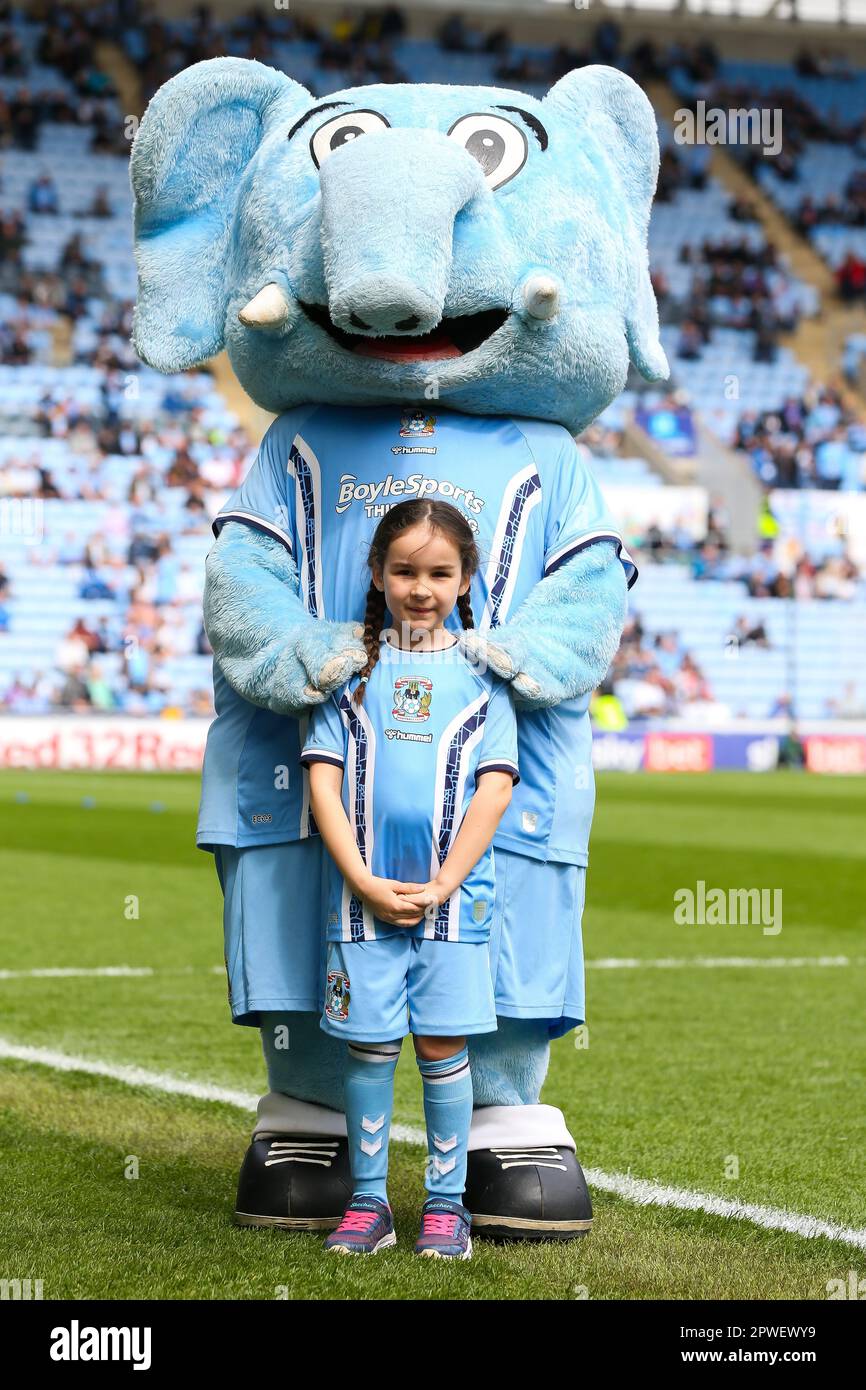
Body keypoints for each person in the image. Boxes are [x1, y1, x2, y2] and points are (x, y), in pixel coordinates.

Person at [300, 500, 518, 1259]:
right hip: (360, 906)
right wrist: (360, 879)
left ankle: (445, 1208)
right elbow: (323, 784)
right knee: (369, 1048)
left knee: (440, 1046)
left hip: (454, 908)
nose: (420, 587)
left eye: (438, 572)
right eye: (404, 570)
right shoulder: (346, 674)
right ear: (377, 574)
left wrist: (444, 884)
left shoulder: (486, 678)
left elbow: (494, 789)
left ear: (464, 581)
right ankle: (367, 1205)